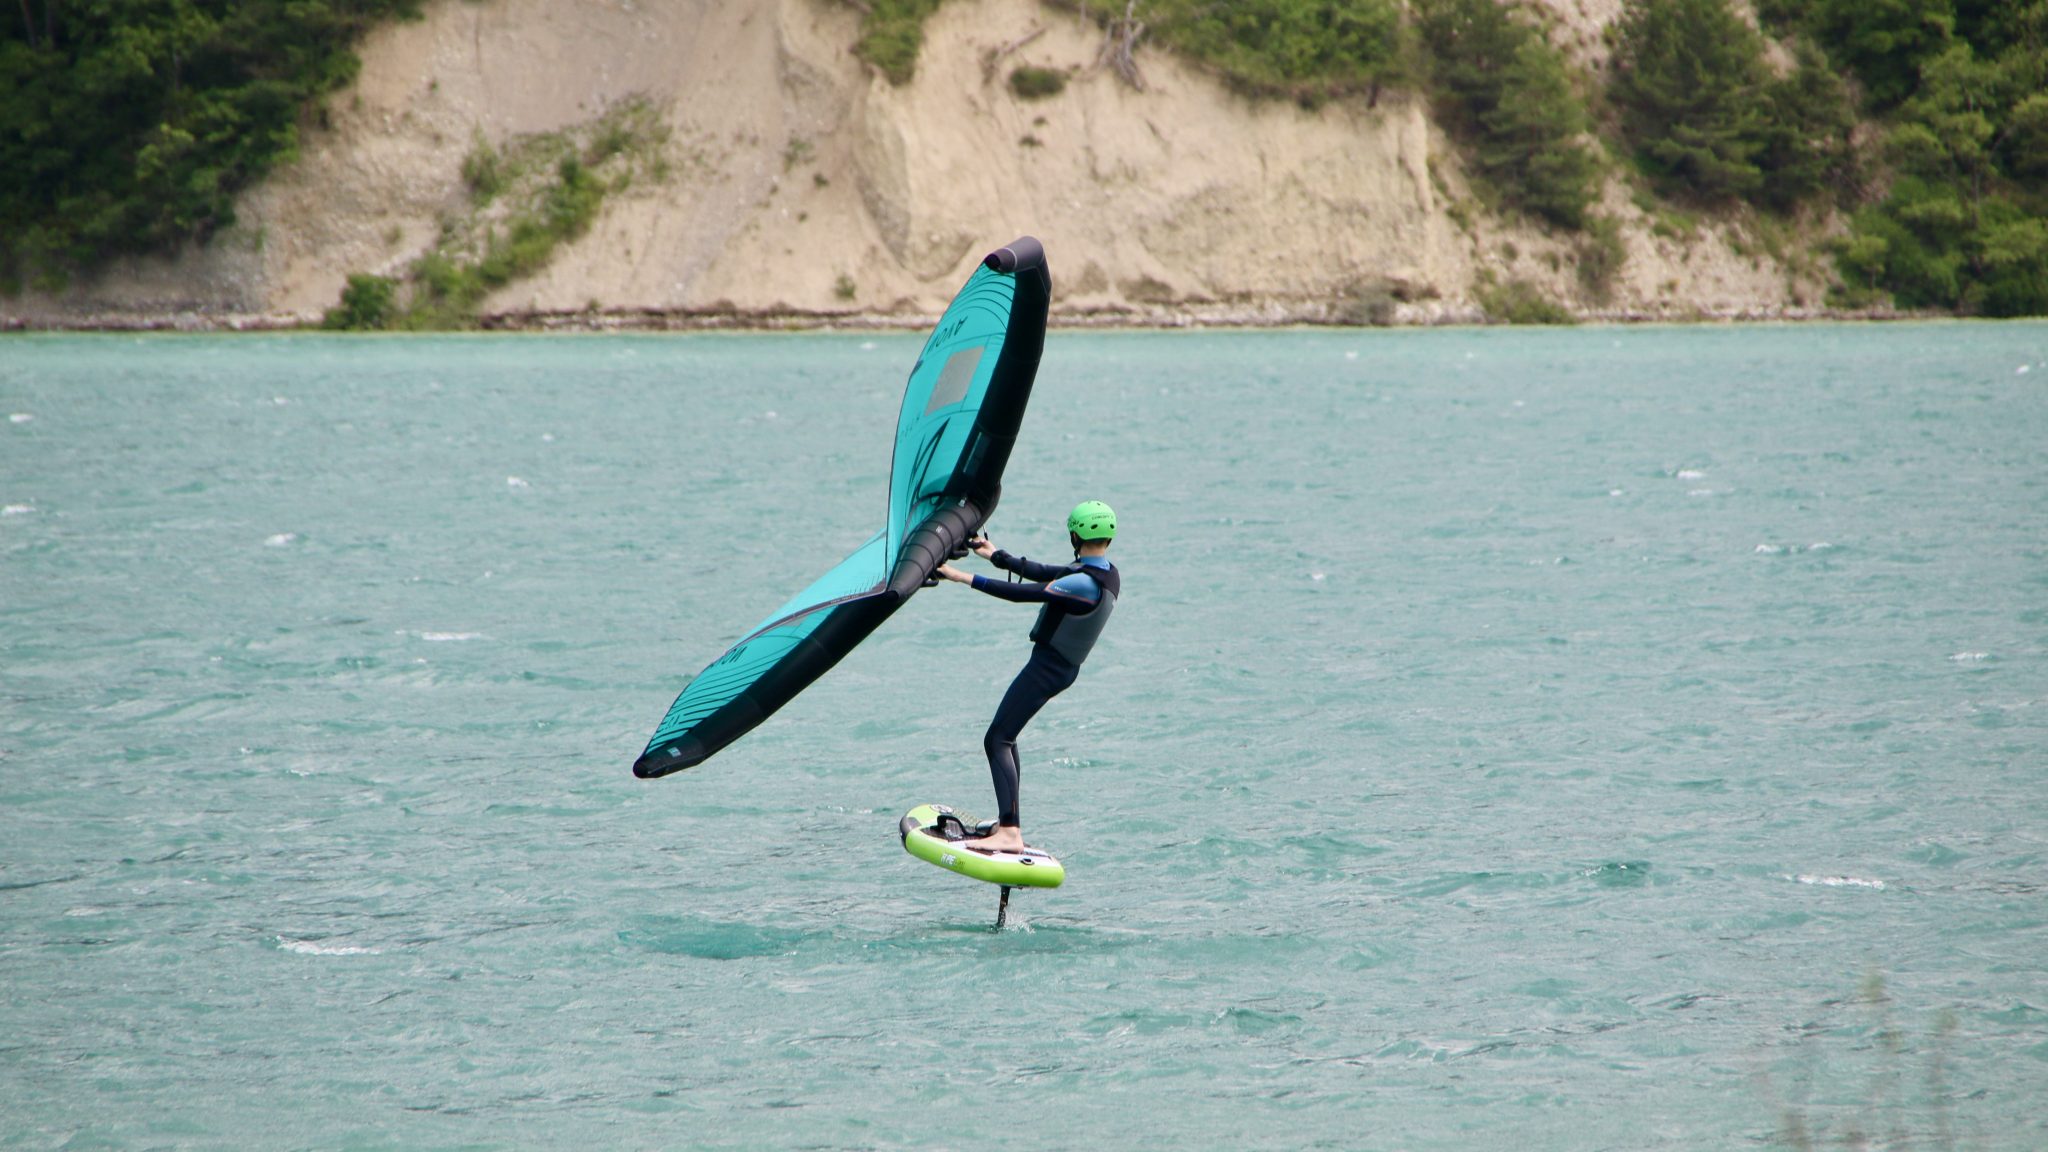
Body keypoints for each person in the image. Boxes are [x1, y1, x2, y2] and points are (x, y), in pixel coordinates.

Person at [933, 500, 1120, 853]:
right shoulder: (1102, 572)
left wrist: (962, 577)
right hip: (1058, 666)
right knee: (1007, 736)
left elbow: (1026, 593)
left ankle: (1010, 832)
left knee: (997, 740)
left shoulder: (1084, 584)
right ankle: (1008, 823)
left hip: (1049, 668)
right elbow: (1046, 571)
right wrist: (995, 555)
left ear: (1074, 534)